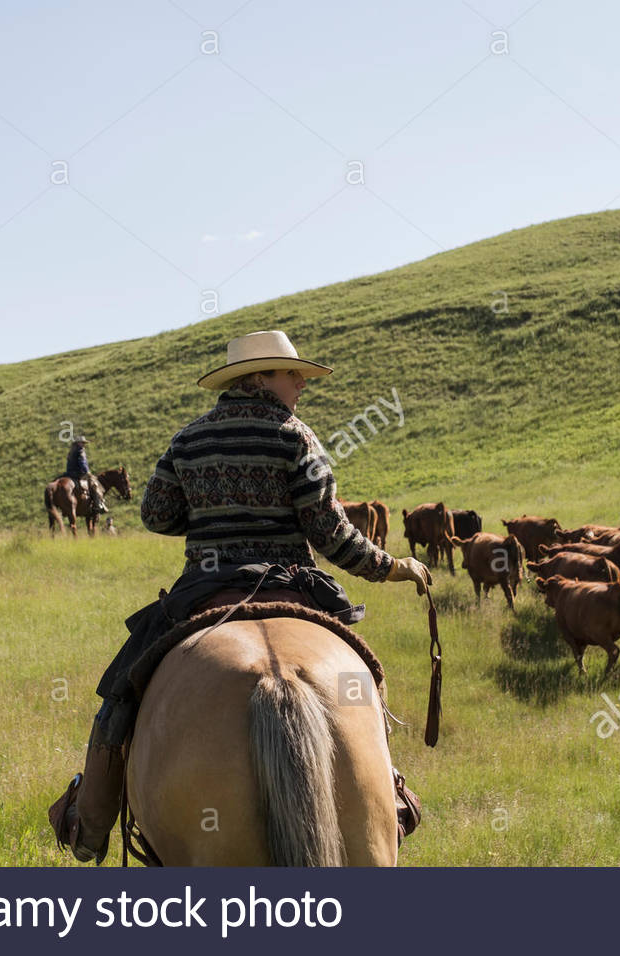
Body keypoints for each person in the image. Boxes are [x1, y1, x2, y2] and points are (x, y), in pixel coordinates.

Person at [49, 330, 432, 864]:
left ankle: (89, 823)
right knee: (363, 676)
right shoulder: (296, 436)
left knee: (122, 690)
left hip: (206, 587)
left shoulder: (189, 439)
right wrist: (394, 567)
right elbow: (330, 535)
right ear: (259, 378)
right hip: (294, 583)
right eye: (290, 372)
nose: (302, 382)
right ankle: (387, 793)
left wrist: (210, 513)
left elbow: (156, 515)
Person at [65, 436, 107, 515]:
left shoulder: (71, 452)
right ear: (78, 443)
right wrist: (87, 472)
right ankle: (98, 504)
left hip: (69, 473)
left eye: (84, 443)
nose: (84, 445)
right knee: (94, 483)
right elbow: (82, 463)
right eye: (82, 443)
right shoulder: (81, 451)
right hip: (78, 473)